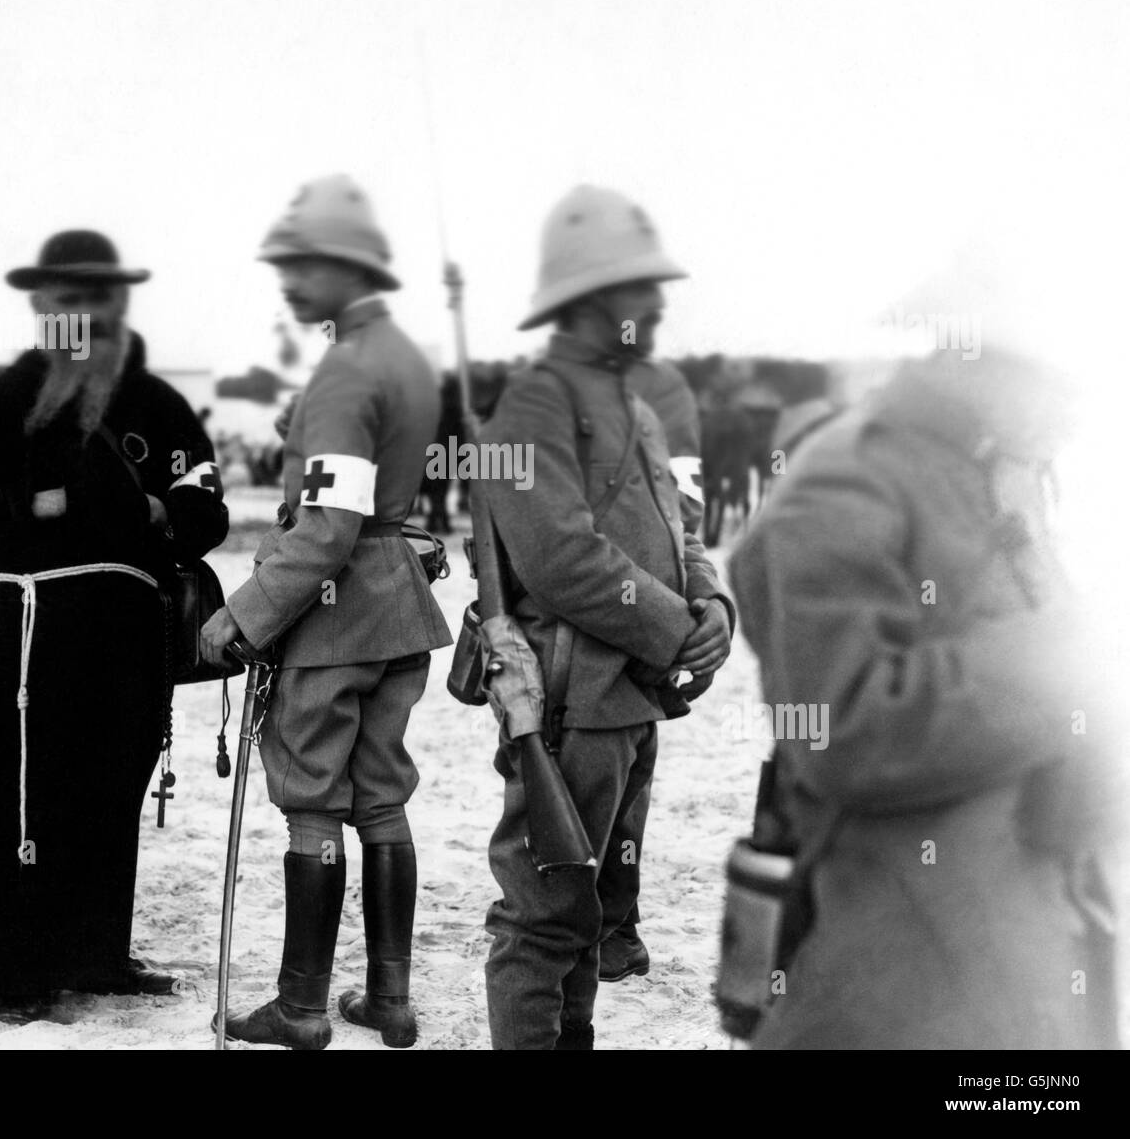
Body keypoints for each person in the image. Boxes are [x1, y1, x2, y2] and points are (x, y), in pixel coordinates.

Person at [727, 259, 1127, 1049]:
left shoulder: (992, 476)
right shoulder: (845, 483)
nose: (1076, 406)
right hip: (904, 980)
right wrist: (1069, 660)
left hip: (1022, 953)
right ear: (972, 359)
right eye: (1056, 377)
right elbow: (842, 728)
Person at [0, 229, 228, 1024]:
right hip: (26, 629)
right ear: (42, 306)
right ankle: (14, 965)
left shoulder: (160, 405)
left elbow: (208, 512)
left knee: (109, 787)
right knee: (12, 790)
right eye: (68, 299)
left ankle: (93, 954)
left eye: (100, 297)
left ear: (119, 303)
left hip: (128, 633)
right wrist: (42, 509)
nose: (86, 313)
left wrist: (151, 509)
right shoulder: (0, 401)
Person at [480, 185, 735, 1050]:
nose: (658, 304)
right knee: (544, 916)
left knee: (586, 910)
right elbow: (560, 559)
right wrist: (675, 631)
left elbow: (679, 529)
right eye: (638, 287)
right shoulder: (533, 407)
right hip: (570, 697)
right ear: (588, 297)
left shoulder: (634, 403)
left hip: (631, 696)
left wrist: (714, 610)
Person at [201, 175, 452, 1050]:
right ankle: (390, 1000)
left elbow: (328, 526)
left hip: (337, 610)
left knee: (312, 793)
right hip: (399, 602)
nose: (287, 282)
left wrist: (246, 612)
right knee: (381, 794)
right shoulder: (405, 358)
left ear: (350, 267)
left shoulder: (347, 371)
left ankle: (303, 1007)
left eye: (303, 266)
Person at [597, 356, 707, 984]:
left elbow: (683, 511)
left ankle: (615, 930)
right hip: (619, 611)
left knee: (618, 789)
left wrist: (691, 609)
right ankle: (613, 927)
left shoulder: (658, 393)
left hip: (635, 614)